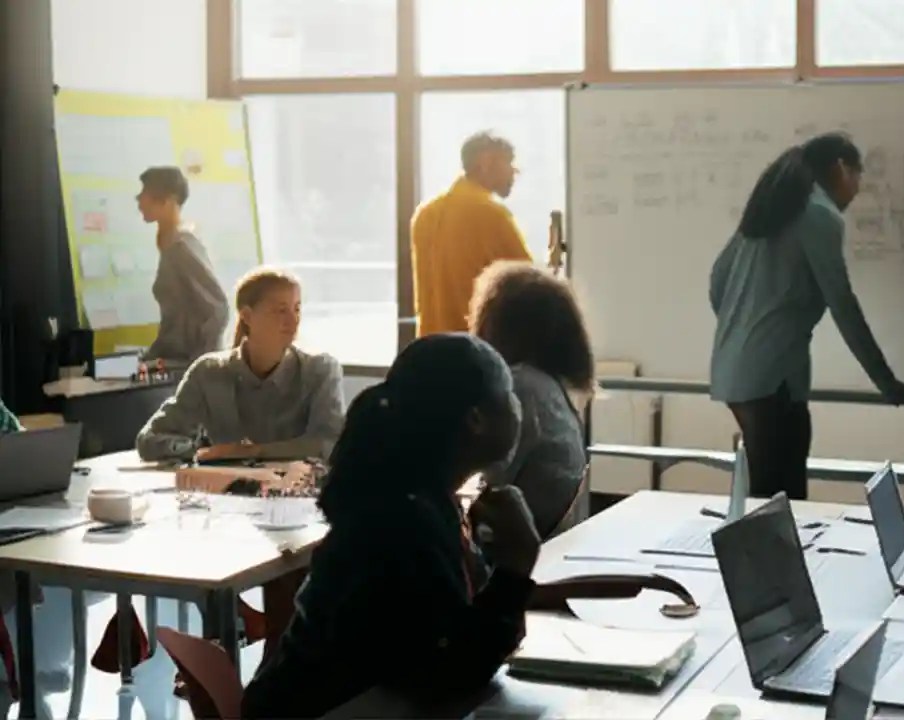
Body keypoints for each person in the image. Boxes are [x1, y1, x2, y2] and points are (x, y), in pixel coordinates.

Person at [242, 334, 540, 718]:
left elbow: (459, 634)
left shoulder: (424, 499)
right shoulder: (401, 524)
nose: (519, 407)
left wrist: (502, 574)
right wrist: (515, 569)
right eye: (509, 394)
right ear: (476, 419)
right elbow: (451, 674)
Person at [709, 132, 904, 500]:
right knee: (783, 493)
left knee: (766, 488)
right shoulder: (819, 214)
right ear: (841, 168)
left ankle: (764, 539)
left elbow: (717, 281)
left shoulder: (772, 209)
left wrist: (742, 326)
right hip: (773, 376)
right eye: (858, 176)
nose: (858, 188)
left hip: (733, 370)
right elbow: (843, 304)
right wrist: (886, 381)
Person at [135, 268, 344, 463]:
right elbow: (149, 439)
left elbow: (328, 444)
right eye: (281, 311)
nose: (293, 320)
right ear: (247, 316)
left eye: (297, 309)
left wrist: (251, 452)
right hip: (226, 487)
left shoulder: (320, 370)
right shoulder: (208, 372)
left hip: (300, 487)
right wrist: (200, 451)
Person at [470, 261, 593, 539]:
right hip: (550, 536)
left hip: (516, 546)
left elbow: (490, 483)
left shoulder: (520, 387)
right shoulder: (551, 387)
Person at [412, 132, 532, 337]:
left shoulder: (425, 215)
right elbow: (528, 284)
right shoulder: (491, 215)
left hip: (431, 347)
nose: (515, 172)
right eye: (508, 163)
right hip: (476, 346)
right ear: (485, 163)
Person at [135, 166, 230, 365]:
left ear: (167, 199)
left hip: (189, 364)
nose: (139, 200)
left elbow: (217, 309)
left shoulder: (182, 247)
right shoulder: (169, 244)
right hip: (172, 359)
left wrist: (202, 365)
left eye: (144, 193)